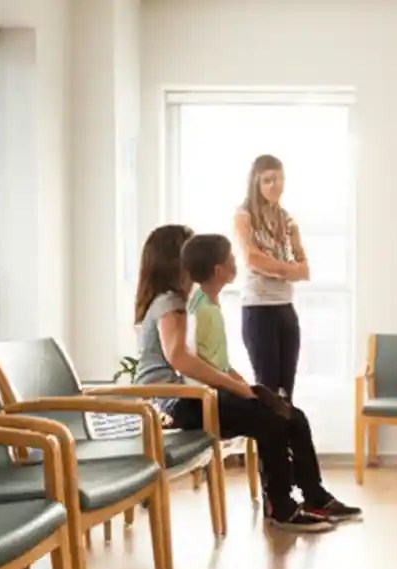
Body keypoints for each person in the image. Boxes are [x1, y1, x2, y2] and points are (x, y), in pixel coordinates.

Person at [133, 224, 360, 533]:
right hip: (171, 405)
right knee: (270, 419)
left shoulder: (186, 302)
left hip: (191, 396)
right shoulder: (169, 303)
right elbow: (180, 359)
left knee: (291, 415)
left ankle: (314, 496)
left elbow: (208, 359)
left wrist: (245, 386)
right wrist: (237, 388)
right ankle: (281, 507)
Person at [234, 154, 308, 403]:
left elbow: (305, 269)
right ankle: (271, 442)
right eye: (268, 180)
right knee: (268, 389)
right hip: (258, 309)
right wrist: (288, 269)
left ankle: (285, 441)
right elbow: (252, 258)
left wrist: (276, 268)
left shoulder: (287, 219)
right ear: (256, 183)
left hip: (285, 307)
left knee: (287, 390)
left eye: (280, 179)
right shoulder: (244, 216)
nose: (276, 185)